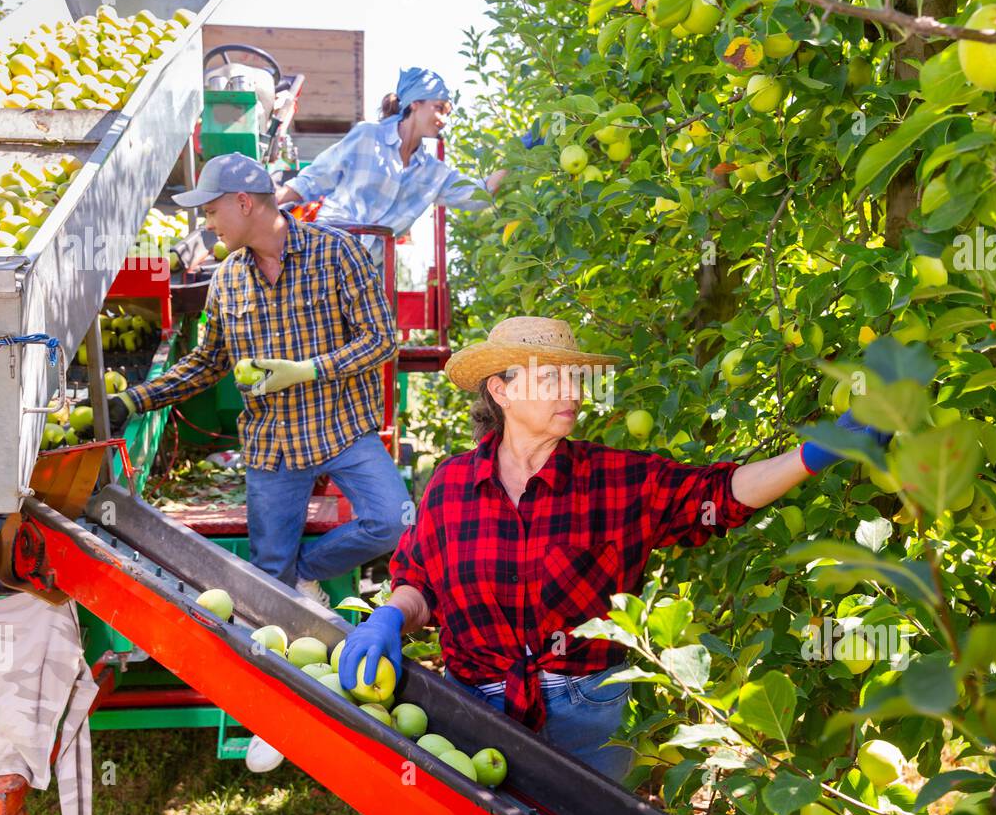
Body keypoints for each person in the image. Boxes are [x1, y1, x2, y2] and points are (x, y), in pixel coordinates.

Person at [335, 316, 890, 782]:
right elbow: (421, 583)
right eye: (550, 378)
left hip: (589, 708)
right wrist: (389, 615)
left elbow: (720, 495)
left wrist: (812, 456)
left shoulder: (617, 479)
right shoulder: (451, 483)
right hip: (477, 705)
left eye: (574, 379)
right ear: (500, 390)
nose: (572, 393)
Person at [108, 153, 408, 603]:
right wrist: (135, 400)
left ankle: (306, 572)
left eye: (211, 211)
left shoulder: (337, 253)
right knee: (270, 578)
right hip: (274, 443)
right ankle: (287, 614)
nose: (208, 224)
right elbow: (209, 362)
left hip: (342, 429)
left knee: (394, 521)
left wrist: (306, 371)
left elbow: (382, 339)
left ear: (244, 202)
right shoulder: (228, 278)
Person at [276, 66, 507, 270]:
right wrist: (268, 200)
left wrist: (519, 155)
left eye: (447, 113)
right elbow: (314, 179)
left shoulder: (433, 173)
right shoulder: (368, 137)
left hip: (371, 267)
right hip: (329, 252)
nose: (443, 120)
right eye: (439, 108)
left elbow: (480, 195)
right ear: (415, 104)